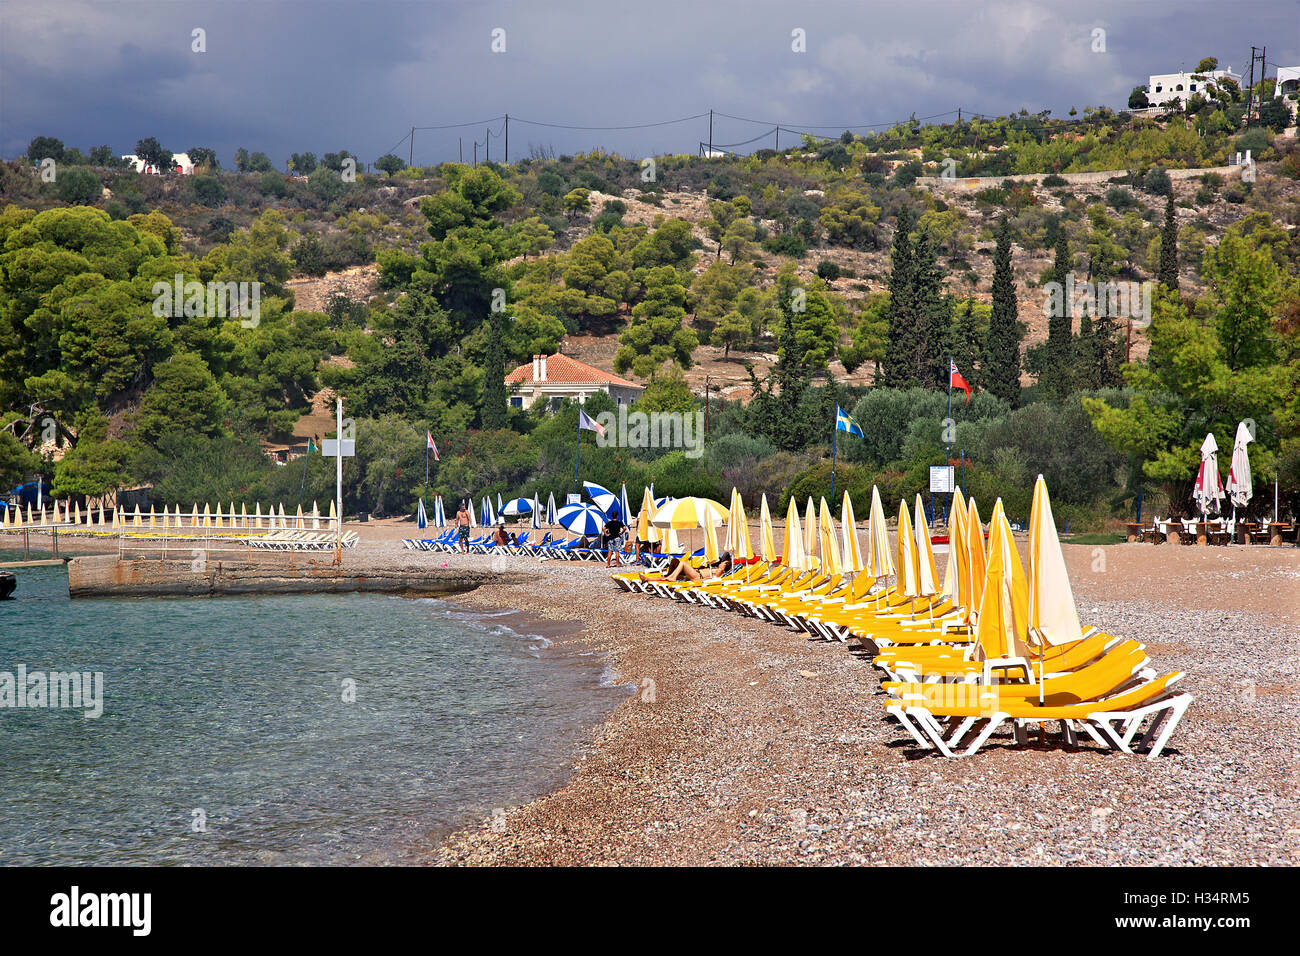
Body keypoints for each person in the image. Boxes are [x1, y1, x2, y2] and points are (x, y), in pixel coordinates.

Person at [639, 550, 733, 585]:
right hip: (695, 573)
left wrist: (724, 565)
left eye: (722, 562)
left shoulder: (720, 571)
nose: (721, 562)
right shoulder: (715, 566)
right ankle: (647, 579)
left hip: (697, 577)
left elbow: (714, 578)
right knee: (675, 561)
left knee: (683, 563)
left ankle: (673, 577)